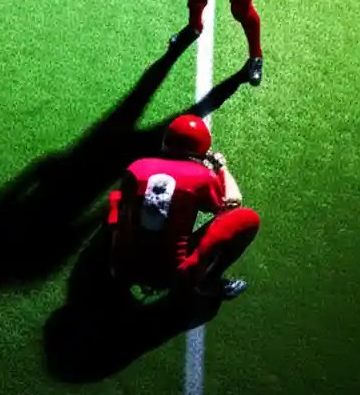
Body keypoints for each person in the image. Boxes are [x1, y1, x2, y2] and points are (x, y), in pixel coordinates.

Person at [108, 115, 260, 300]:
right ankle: (205, 280)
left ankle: (115, 265)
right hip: (173, 275)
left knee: (118, 200)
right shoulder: (202, 176)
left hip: (126, 265)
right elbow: (232, 201)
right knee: (246, 217)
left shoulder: (137, 168)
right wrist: (221, 166)